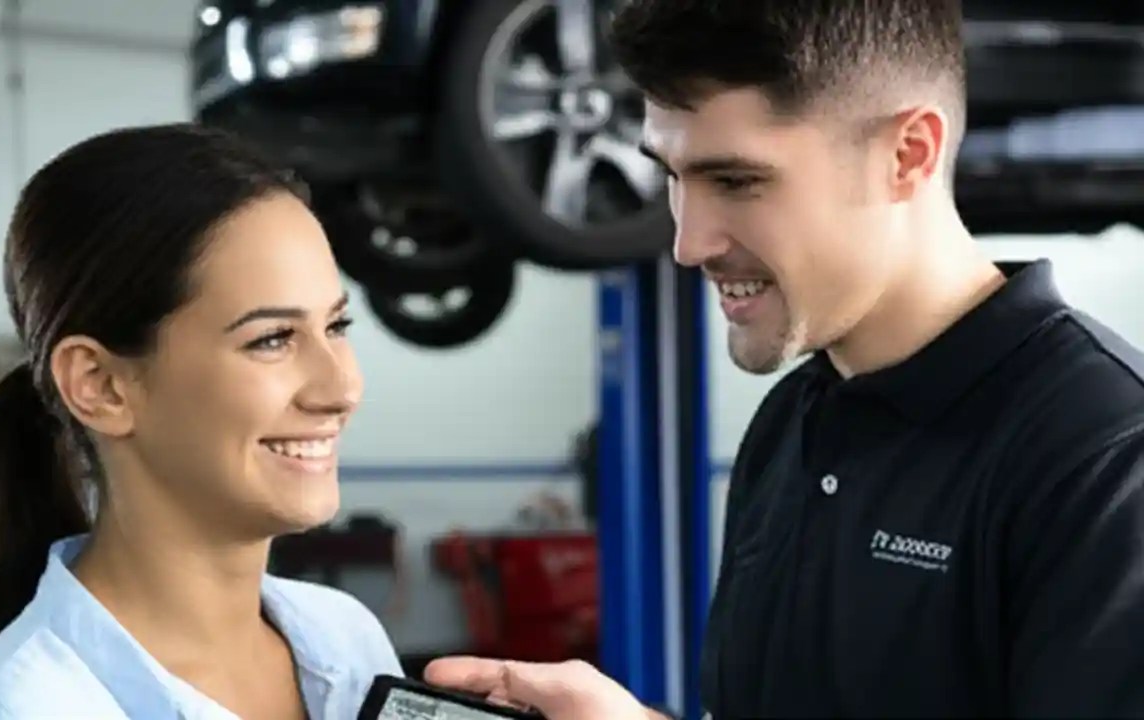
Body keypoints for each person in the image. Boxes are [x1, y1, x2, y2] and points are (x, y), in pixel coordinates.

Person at [426, 0, 1144, 717]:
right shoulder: (793, 422)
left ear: (909, 154)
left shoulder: (1105, 458)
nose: (688, 243)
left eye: (736, 181)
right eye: (673, 178)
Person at [0, 124, 402, 719]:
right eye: (273, 338)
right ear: (100, 385)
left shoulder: (346, 641)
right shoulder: (26, 707)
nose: (343, 388)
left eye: (336, 327)